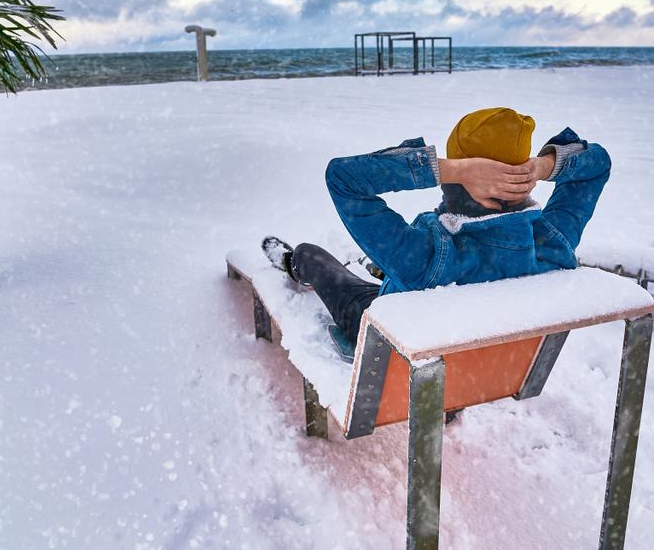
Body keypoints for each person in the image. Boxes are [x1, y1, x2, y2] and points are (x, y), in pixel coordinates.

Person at [262, 107, 611, 360]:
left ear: (463, 176)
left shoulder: (423, 257)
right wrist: (544, 166)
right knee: (393, 255)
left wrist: (448, 169)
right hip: (476, 366)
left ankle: (295, 263)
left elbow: (343, 178)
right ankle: (375, 266)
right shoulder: (553, 243)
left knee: (312, 255)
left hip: (396, 343)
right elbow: (598, 164)